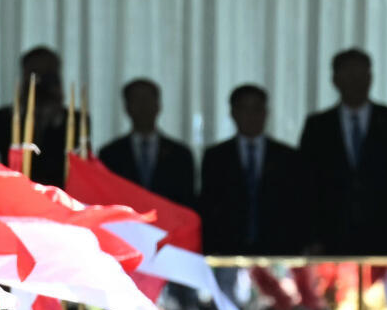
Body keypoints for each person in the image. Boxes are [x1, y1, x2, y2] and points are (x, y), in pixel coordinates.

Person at [296, 48, 387, 253]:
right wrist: (311, 236)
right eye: (348, 73)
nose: (355, 80)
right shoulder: (318, 125)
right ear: (335, 80)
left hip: (385, 232)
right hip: (331, 234)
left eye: (361, 73)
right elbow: (307, 184)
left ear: (370, 78)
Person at [199, 85, 307, 255]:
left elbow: (298, 204)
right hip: (228, 249)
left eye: (257, 109)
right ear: (233, 113)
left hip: (279, 247)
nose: (251, 116)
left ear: (265, 113)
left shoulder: (288, 156)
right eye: (244, 109)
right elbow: (209, 205)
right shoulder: (216, 156)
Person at [99, 77, 197, 210]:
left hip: (169, 220)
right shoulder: (110, 154)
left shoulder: (180, 154)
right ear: (126, 107)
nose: (143, 106)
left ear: (158, 106)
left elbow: (187, 202)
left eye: (147, 99)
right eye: (136, 100)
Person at [0, 45, 69, 186]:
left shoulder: (73, 120)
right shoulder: (2, 118)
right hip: (11, 191)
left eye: (48, 75)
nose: (40, 83)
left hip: (59, 194)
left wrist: (55, 117)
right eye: (34, 74)